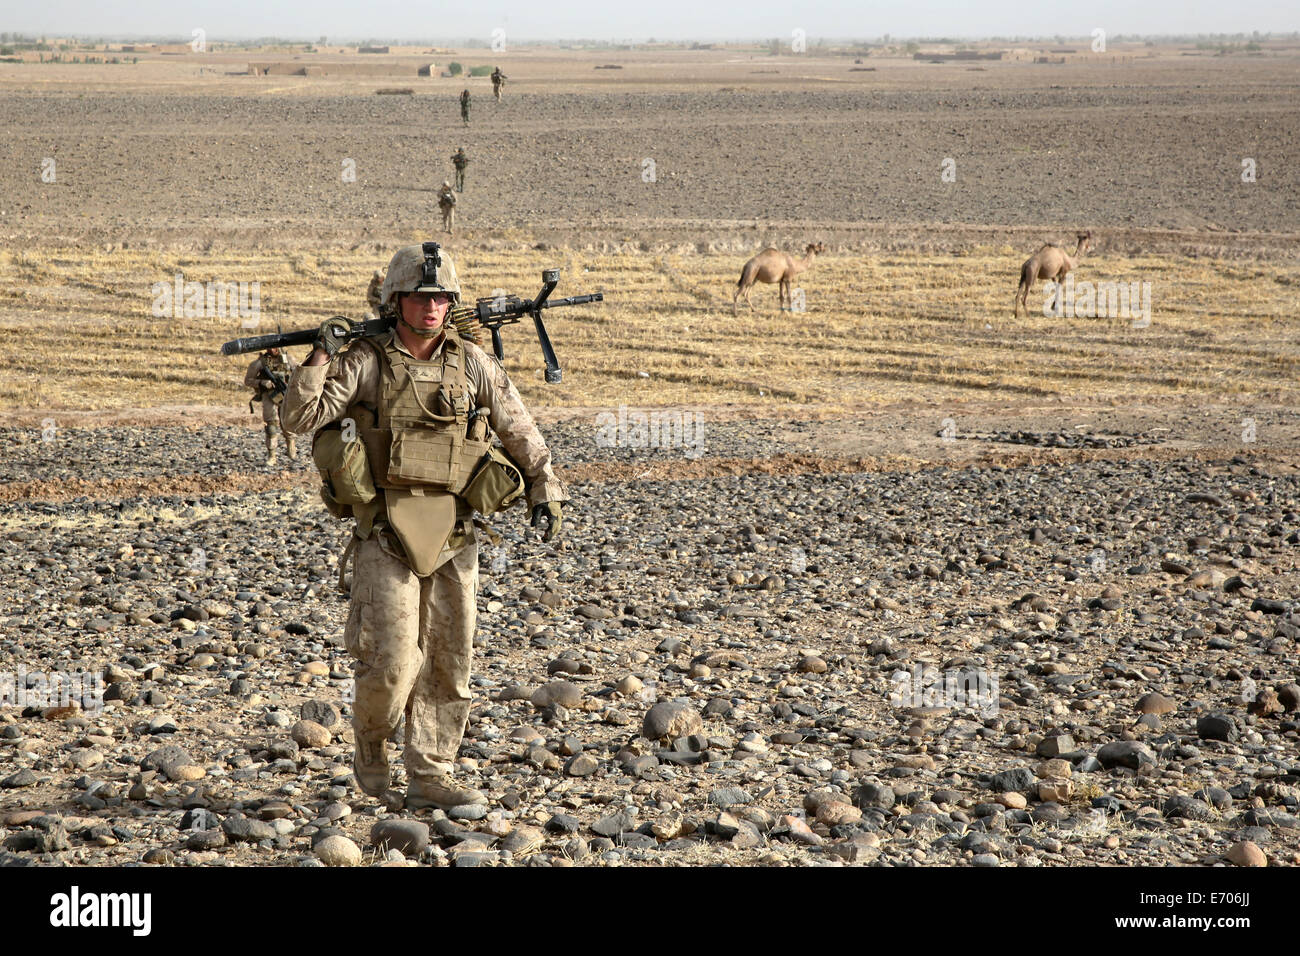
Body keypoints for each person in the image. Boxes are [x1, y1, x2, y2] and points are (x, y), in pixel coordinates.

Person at [281, 242, 566, 812]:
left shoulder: (473, 364)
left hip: (455, 531)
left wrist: (545, 489)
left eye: (440, 297)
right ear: (396, 301)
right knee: (389, 662)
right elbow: (299, 417)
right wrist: (319, 357)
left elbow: (520, 430)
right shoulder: (364, 361)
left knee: (447, 662)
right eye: (419, 296)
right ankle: (371, 743)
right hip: (385, 532)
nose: (431, 306)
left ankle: (431, 774)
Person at [243, 347, 297, 465]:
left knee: (288, 422)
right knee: (271, 425)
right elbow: (247, 380)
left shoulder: (289, 359)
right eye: (269, 347)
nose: (272, 350)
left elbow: (299, 375)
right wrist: (262, 383)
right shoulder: (259, 363)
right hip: (269, 395)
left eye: (274, 347)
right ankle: (272, 455)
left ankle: (291, 447)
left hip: (285, 394)